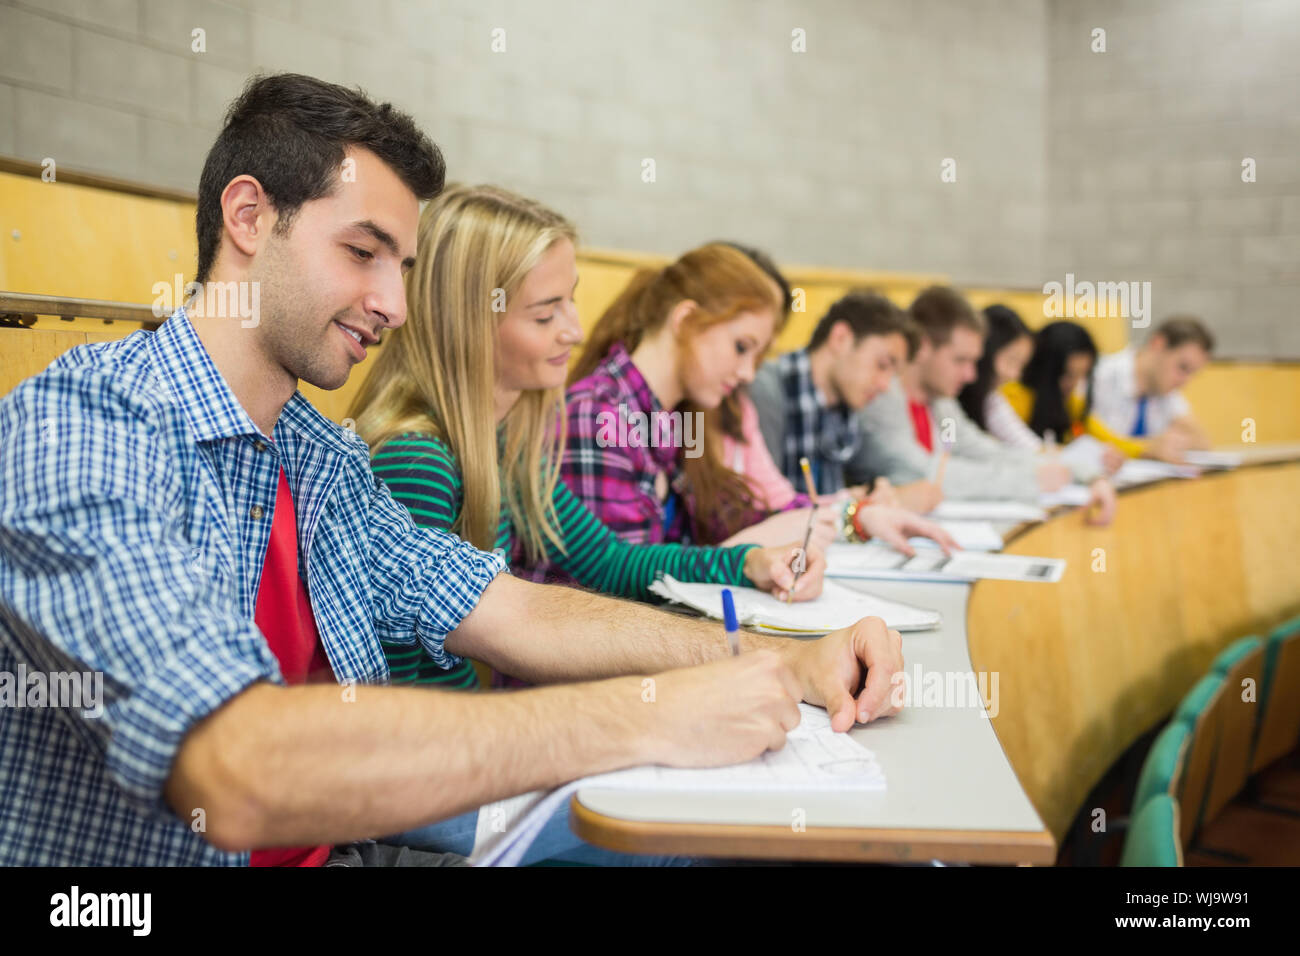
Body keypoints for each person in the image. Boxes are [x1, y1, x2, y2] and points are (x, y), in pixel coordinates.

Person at [0, 73, 906, 867]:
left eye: (404, 266)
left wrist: (786, 661)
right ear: (247, 218)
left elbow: (508, 608)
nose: (393, 303)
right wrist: (644, 716)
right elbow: (236, 766)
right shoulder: (81, 428)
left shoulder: (319, 455)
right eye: (361, 253)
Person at [347, 184, 825, 695]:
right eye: (545, 313)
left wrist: (747, 562)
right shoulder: (417, 460)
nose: (574, 331)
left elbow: (611, 561)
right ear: (469, 323)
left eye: (570, 301)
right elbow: (415, 684)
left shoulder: (503, 442)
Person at [556, 252, 952, 582]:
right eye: (741, 347)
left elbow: (747, 507)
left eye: (756, 356)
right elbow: (619, 590)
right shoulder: (598, 415)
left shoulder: (679, 414)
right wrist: (747, 556)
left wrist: (859, 518)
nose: (748, 373)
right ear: (684, 320)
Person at [847, 287, 1075, 506]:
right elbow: (924, 473)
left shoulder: (940, 403)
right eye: (960, 360)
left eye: (973, 362)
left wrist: (1073, 469)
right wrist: (1030, 481)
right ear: (924, 346)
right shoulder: (881, 393)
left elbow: (984, 451)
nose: (971, 375)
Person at [961, 305, 1118, 521]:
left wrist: (1091, 472)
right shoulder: (1008, 396)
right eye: (1011, 360)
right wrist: (1033, 478)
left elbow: (1027, 451)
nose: (1014, 375)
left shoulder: (991, 401)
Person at [999, 320, 1191, 465]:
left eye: (1081, 376)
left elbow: (1104, 437)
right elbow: (1024, 451)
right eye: (1067, 375)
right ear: (1046, 370)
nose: (1073, 385)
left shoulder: (1072, 403)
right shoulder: (1012, 398)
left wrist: (1146, 448)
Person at [1090, 316, 1214, 454]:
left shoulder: (1165, 391)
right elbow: (1080, 442)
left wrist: (1176, 442)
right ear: (1158, 344)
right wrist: (1148, 447)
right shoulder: (1099, 376)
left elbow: (1203, 442)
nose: (1184, 381)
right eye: (1183, 367)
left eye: (1192, 373)